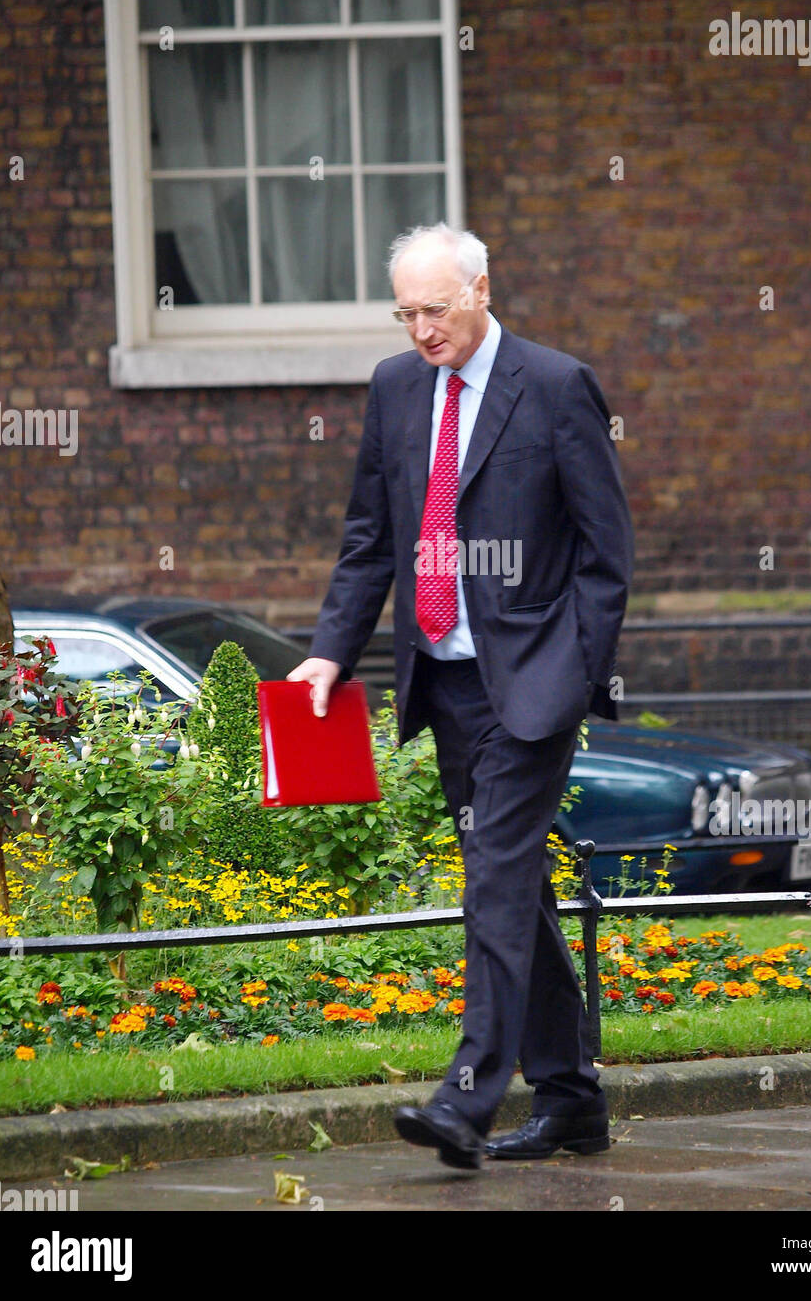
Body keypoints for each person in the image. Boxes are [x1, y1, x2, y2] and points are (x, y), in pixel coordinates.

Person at [287, 222, 633, 1169]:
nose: (419, 330)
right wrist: (328, 654)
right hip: (442, 682)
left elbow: (607, 558)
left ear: (481, 289)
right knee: (513, 895)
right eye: (404, 313)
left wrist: (573, 672)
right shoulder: (396, 388)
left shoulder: (556, 386)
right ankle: (569, 1101)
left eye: (434, 309)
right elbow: (371, 537)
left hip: (530, 688)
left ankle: (465, 1101)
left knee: (492, 881)